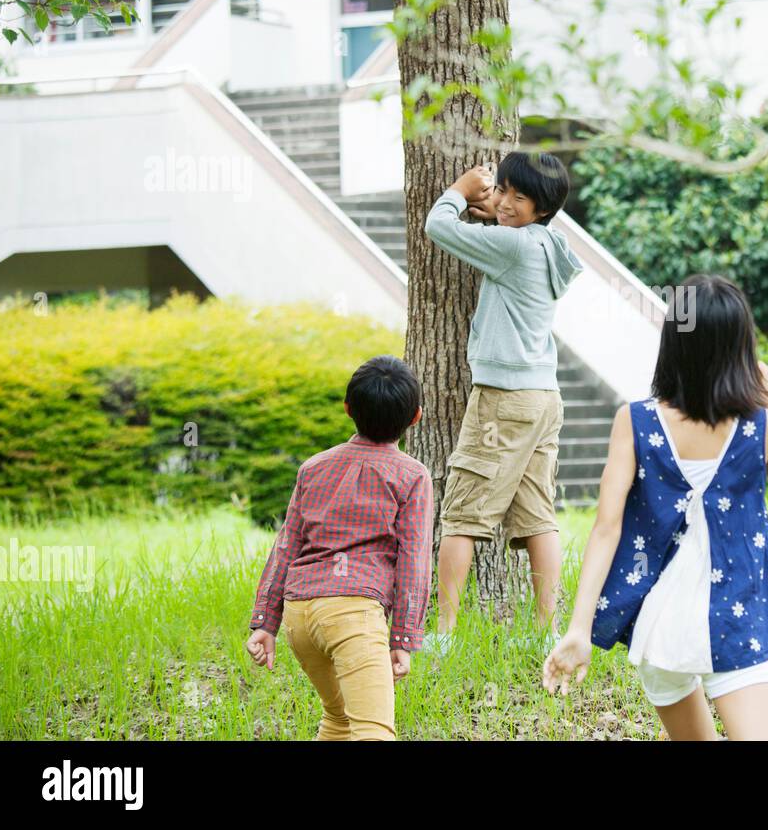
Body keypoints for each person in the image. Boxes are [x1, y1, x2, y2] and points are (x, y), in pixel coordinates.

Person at [542, 274, 768, 740]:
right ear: (740, 347)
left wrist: (579, 628)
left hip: (658, 625)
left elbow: (607, 528)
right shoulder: (761, 426)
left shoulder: (635, 421)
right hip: (735, 619)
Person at [422, 152, 583, 653]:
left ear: (541, 207)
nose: (506, 202)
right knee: (537, 514)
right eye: (503, 191)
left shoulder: (513, 248)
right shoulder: (549, 243)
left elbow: (436, 227)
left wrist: (459, 188)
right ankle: (544, 632)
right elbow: (507, 229)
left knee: (463, 510)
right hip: (543, 397)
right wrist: (496, 210)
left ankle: (444, 634)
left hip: (503, 399)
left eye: (519, 197)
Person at [245, 355, 432, 740]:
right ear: (415, 417)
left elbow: (286, 547)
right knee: (373, 732)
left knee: (339, 720)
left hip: (300, 615)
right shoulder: (412, 475)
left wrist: (266, 621)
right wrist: (403, 638)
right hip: (355, 615)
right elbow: (414, 562)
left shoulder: (313, 468)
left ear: (348, 409)